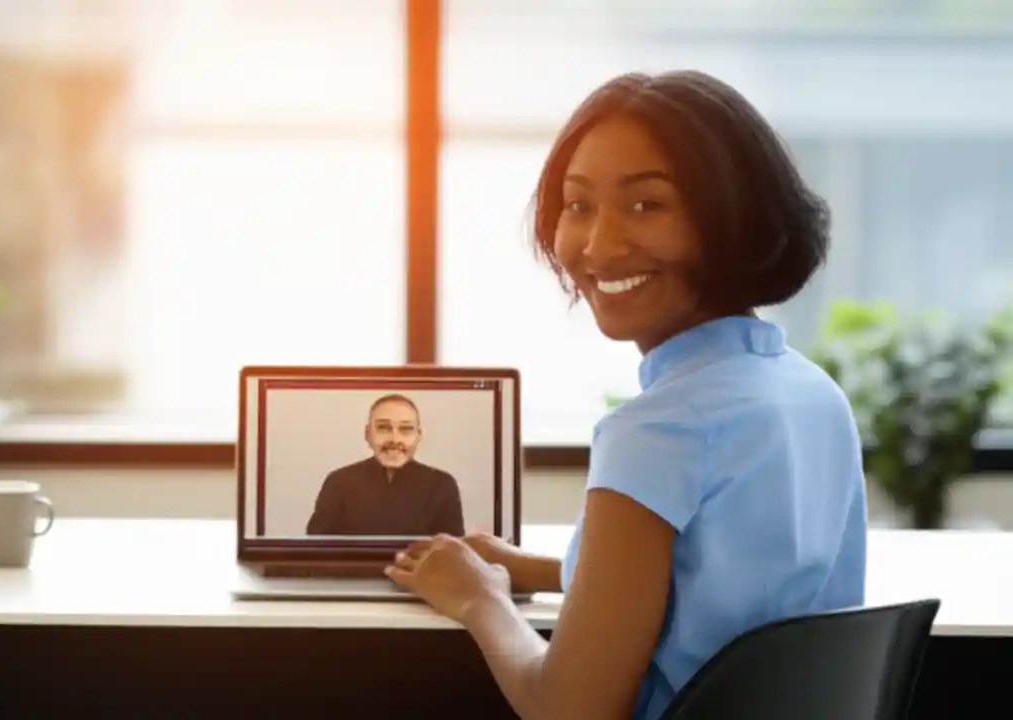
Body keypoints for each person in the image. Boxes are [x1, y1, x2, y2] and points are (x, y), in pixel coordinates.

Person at [385, 70, 868, 720]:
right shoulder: (810, 394)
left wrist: (480, 600)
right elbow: (716, 587)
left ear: (732, 214)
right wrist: (527, 568)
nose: (599, 246)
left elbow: (569, 710)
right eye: (578, 205)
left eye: (647, 205)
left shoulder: (658, 429)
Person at [305, 393, 465, 537]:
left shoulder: (442, 485)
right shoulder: (339, 482)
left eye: (406, 429)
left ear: (419, 435)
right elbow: (316, 550)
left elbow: (452, 558)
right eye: (383, 428)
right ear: (367, 434)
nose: (395, 439)